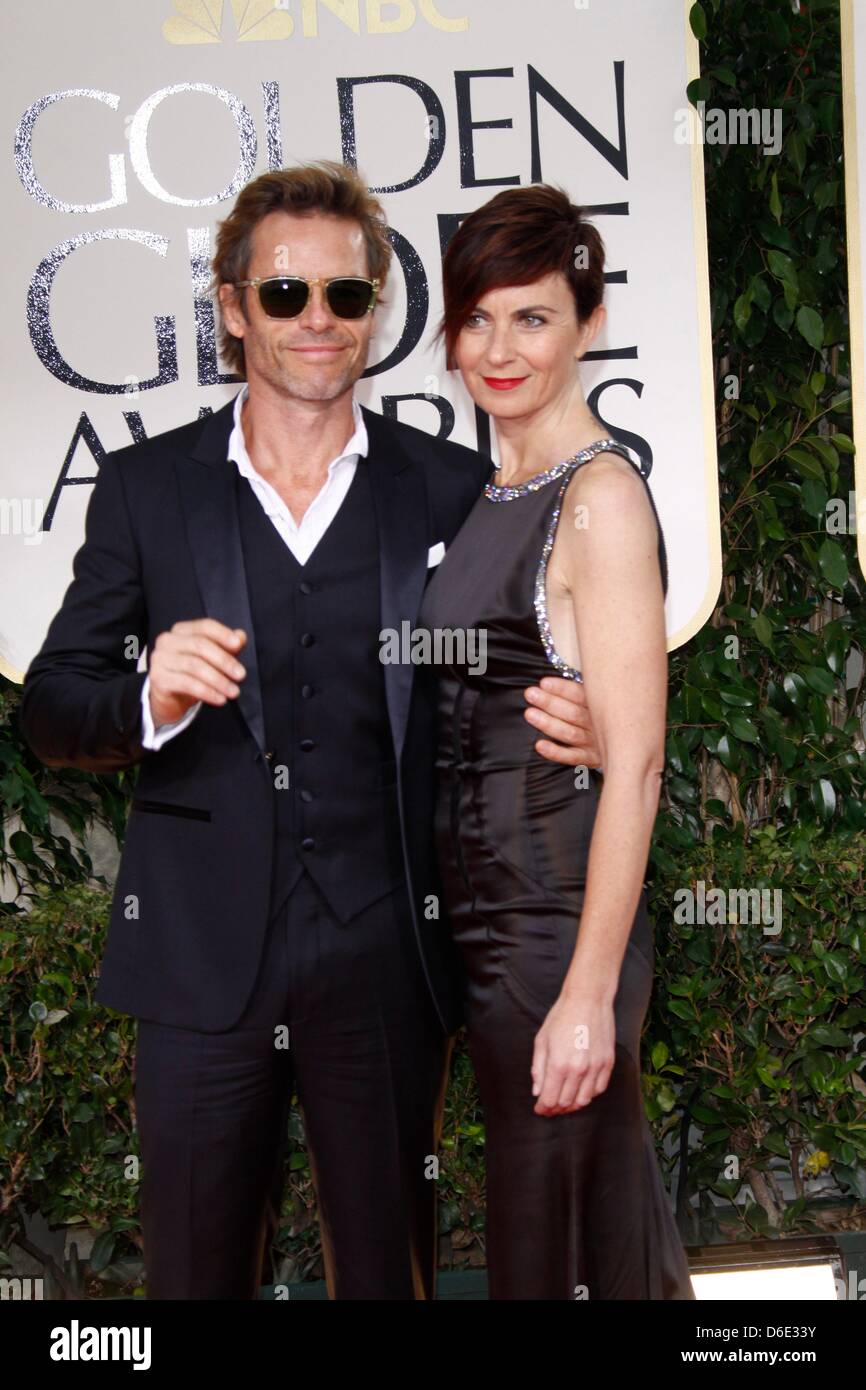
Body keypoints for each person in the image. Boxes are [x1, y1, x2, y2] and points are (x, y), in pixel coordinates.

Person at [19, 161, 601, 1300]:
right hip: (197, 966)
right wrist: (150, 697)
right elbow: (51, 706)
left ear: (374, 310)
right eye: (285, 296)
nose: (317, 322)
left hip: (384, 957)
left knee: (390, 1274)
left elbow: (497, 669)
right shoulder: (147, 490)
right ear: (233, 310)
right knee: (194, 1274)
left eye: (345, 295)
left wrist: (572, 720)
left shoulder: (444, 485)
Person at [418, 183, 695, 1299]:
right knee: (572, 1235)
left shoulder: (599, 498)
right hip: (489, 944)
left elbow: (632, 762)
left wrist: (586, 993)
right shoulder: (489, 493)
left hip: (553, 937)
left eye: (530, 316)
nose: (498, 347)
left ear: (586, 322)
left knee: (563, 1249)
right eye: (476, 318)